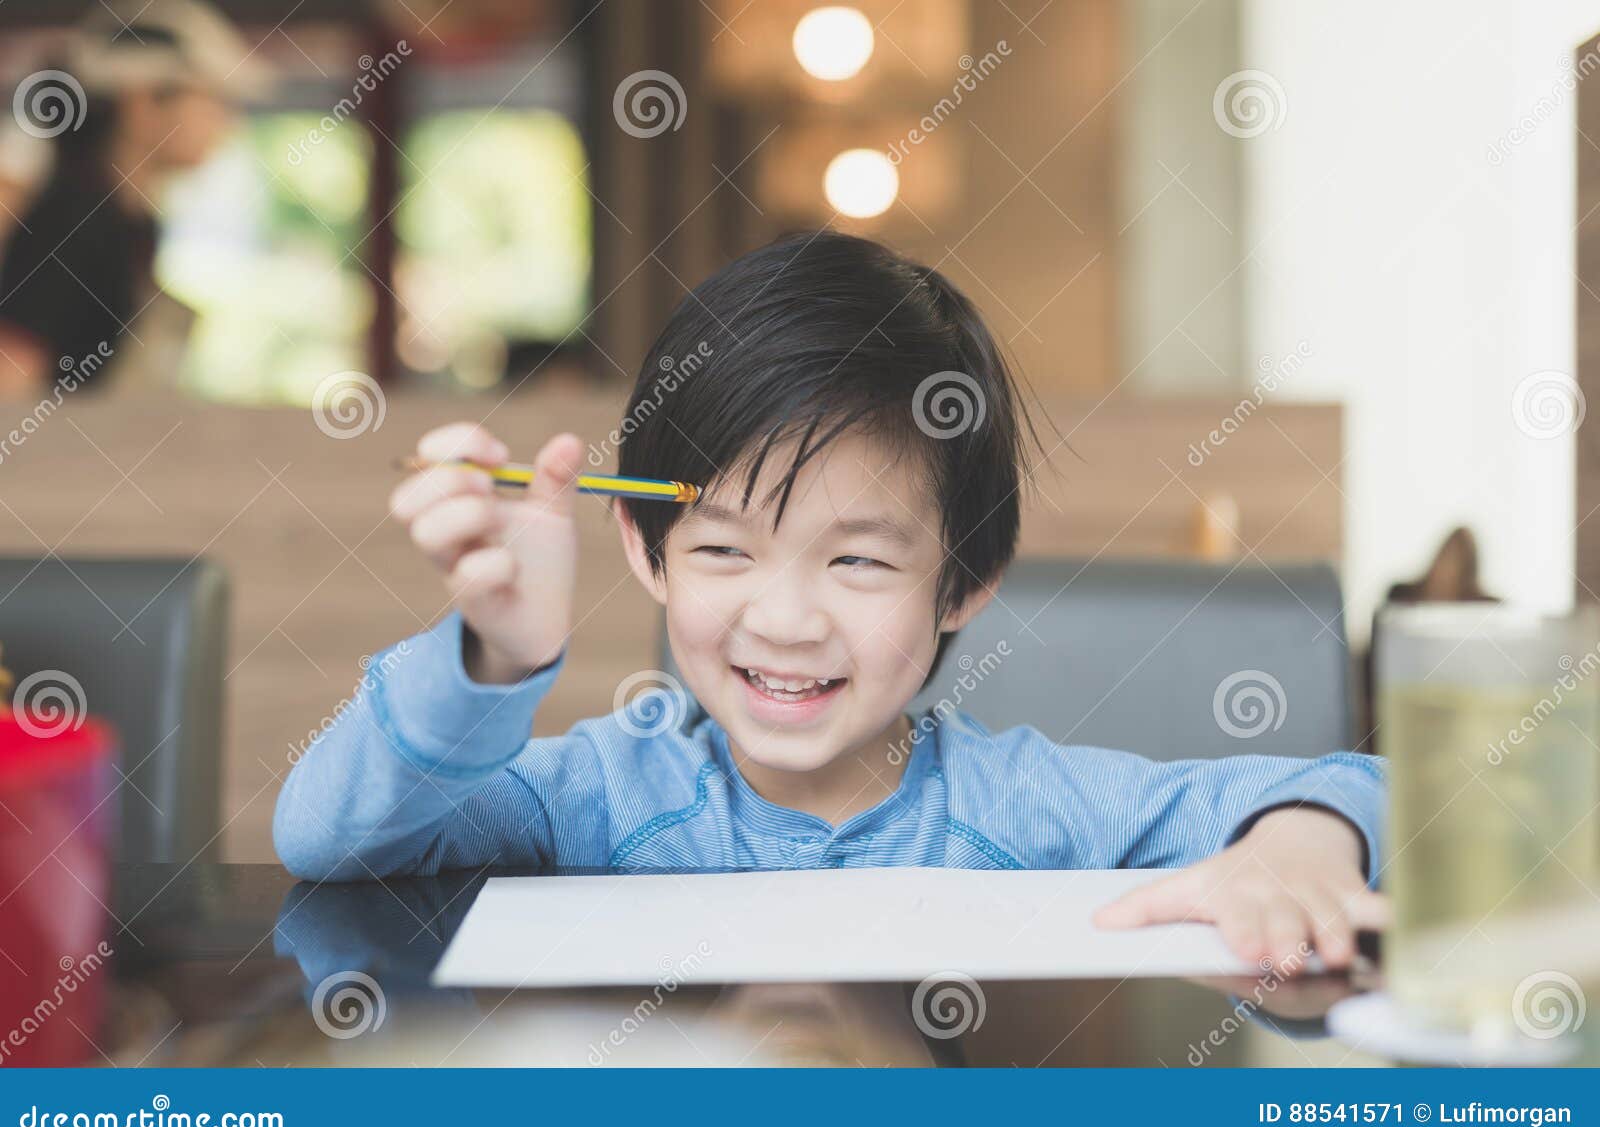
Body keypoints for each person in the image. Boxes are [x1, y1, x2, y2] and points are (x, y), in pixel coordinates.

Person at [273, 230, 1389, 973]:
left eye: (856, 563)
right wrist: (494, 660)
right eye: (724, 548)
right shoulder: (602, 794)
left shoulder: (1023, 807)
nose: (786, 620)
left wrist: (1302, 846)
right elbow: (331, 840)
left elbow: (1354, 785)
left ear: (965, 581)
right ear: (648, 552)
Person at [0, 0, 268, 398]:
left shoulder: (131, 224)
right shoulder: (74, 223)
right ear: (141, 103)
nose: (226, 122)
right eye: (213, 99)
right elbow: (10, 377)